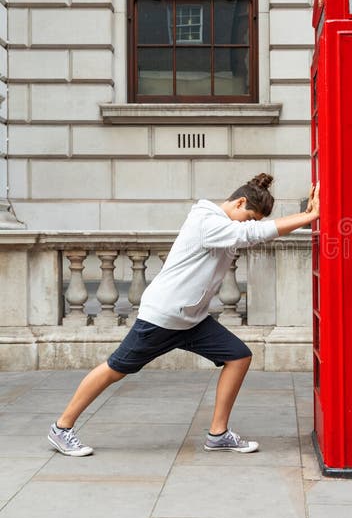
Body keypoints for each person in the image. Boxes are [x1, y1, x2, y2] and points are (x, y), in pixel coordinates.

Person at [47, 174, 320, 457]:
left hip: (191, 319)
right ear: (239, 202)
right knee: (116, 368)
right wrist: (309, 216)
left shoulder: (223, 225)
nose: (249, 224)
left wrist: (305, 216)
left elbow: (252, 234)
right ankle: (61, 427)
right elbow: (251, 235)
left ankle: (218, 433)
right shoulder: (208, 222)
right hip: (163, 317)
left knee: (238, 356)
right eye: (249, 216)